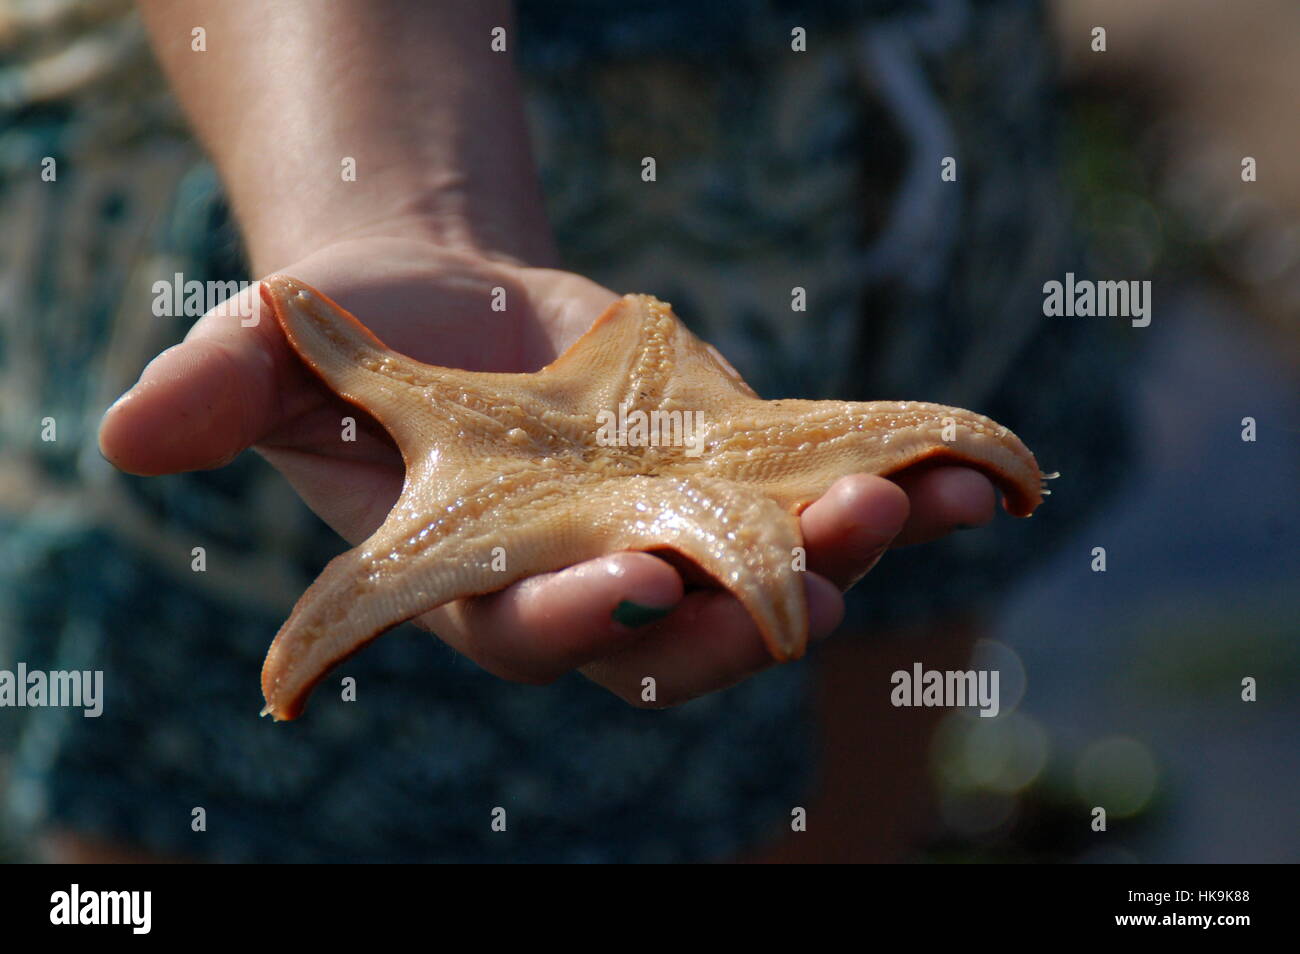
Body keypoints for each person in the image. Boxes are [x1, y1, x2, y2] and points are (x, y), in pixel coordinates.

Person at [0, 1, 1124, 862]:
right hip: (303, 89)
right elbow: (417, 354)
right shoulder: (534, 371)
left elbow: (649, 350)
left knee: (843, 798)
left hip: (910, 121)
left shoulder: (651, 352)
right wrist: (397, 216)